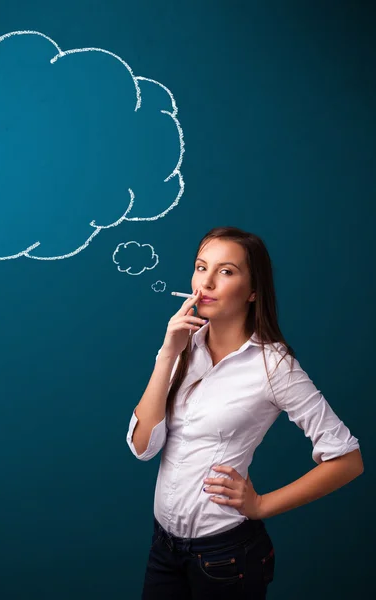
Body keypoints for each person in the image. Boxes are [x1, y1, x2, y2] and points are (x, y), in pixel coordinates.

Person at [126, 226, 363, 599]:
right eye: (201, 267)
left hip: (226, 559)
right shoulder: (182, 347)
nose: (207, 282)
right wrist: (167, 354)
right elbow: (143, 448)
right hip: (164, 548)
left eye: (226, 271)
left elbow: (348, 460)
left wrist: (261, 504)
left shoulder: (274, 366)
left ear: (253, 291)